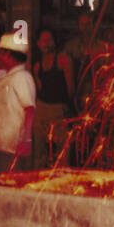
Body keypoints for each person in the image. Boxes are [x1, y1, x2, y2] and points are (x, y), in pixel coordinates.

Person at [0, 33, 36, 175]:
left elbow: (29, 109)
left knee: (10, 183)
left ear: (8, 55)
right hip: (3, 144)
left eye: (0, 53)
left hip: (12, 146)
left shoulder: (22, 77)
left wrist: (26, 139)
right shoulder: (10, 76)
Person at [32, 29, 75, 167]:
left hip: (58, 109)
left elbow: (70, 87)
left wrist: (65, 107)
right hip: (42, 108)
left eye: (49, 40)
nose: (46, 44)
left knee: (62, 151)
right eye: (43, 41)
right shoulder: (37, 65)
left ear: (54, 42)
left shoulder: (63, 60)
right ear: (38, 43)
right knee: (40, 150)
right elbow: (39, 88)